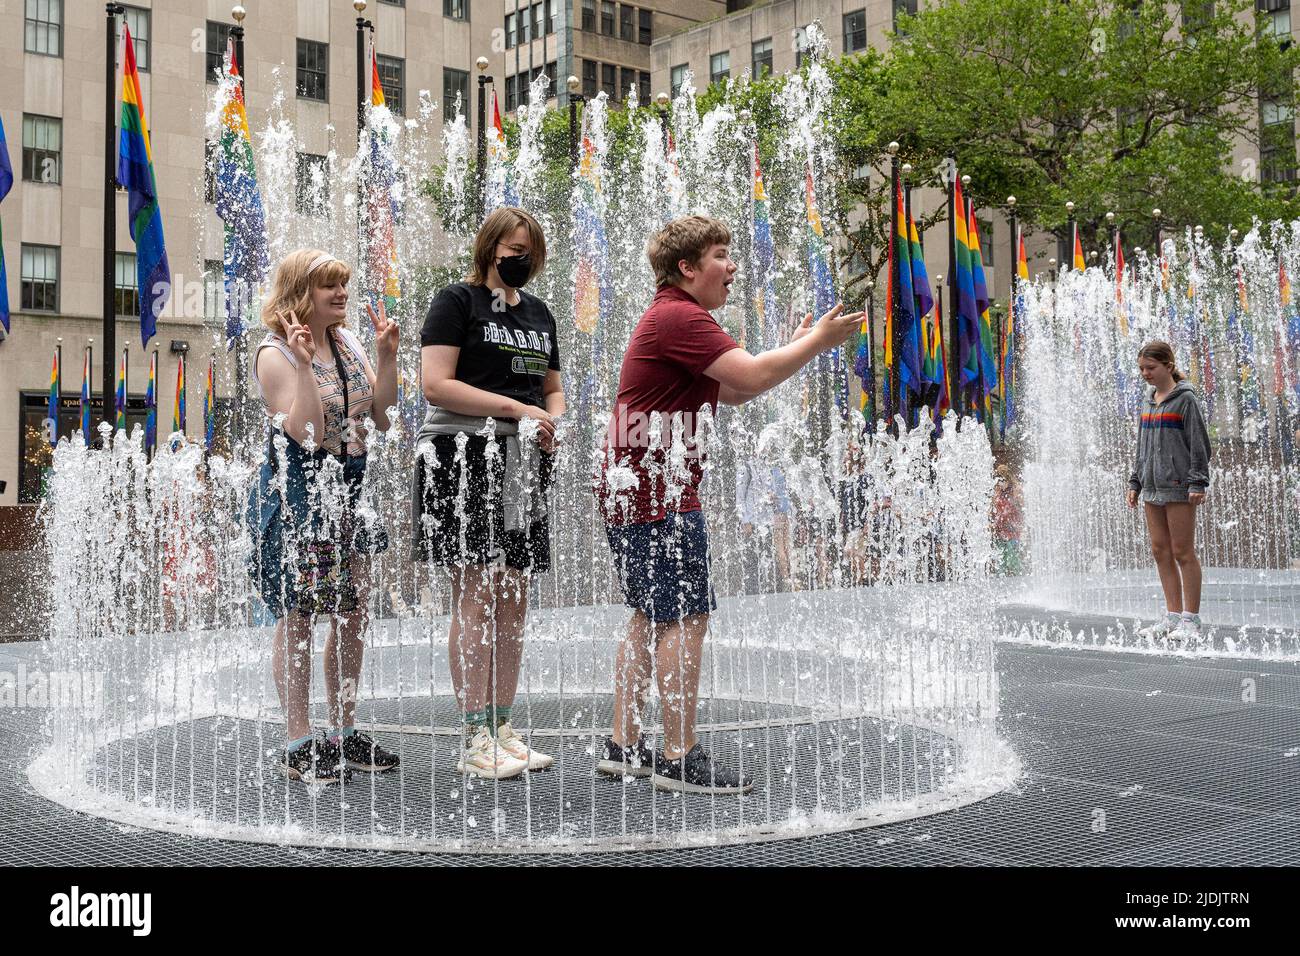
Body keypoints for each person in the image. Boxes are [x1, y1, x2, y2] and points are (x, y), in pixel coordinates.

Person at [593, 215, 862, 794]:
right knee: (686, 615)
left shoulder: (675, 318)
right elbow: (753, 376)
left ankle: (624, 743)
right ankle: (678, 755)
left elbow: (736, 391)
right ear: (687, 268)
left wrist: (798, 346)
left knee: (651, 614)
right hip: (655, 492)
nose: (732, 265)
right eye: (720, 254)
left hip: (637, 488)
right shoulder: (680, 316)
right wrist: (816, 341)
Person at [414, 207, 564, 780]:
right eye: (510, 248)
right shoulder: (456, 302)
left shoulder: (540, 315)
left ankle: (502, 725)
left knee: (514, 599)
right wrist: (518, 409)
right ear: (488, 250)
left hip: (525, 459)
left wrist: (554, 420)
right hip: (463, 453)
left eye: (528, 249)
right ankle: (474, 732)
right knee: (476, 593)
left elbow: (552, 387)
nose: (519, 258)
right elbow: (436, 384)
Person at [247, 249, 400, 785]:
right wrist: (306, 364)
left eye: (343, 285)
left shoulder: (350, 341)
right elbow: (304, 432)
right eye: (327, 287)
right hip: (300, 498)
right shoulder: (275, 354)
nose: (341, 294)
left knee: (353, 613)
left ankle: (343, 731)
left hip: (351, 493)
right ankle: (299, 739)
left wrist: (385, 357)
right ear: (298, 294)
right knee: (300, 617)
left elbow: (381, 415)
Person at [1127, 340, 1211, 643]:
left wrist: (1198, 480)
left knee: (1182, 551)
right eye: (1142, 369)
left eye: (1150, 368)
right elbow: (1141, 446)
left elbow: (1199, 443)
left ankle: (1191, 619)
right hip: (1151, 486)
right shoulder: (1149, 401)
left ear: (1168, 366)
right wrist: (1135, 482)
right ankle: (1173, 616)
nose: (1145, 374)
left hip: (1178, 486)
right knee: (1160, 550)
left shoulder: (1185, 399)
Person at [990, 463, 1024, 576]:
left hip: (1013, 529)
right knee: (1001, 561)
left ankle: (1020, 578)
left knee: (1013, 557)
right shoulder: (997, 492)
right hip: (1000, 529)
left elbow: (1023, 508)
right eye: (998, 480)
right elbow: (992, 509)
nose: (1000, 483)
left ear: (1007, 479)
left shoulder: (1016, 491)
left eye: (1002, 480)